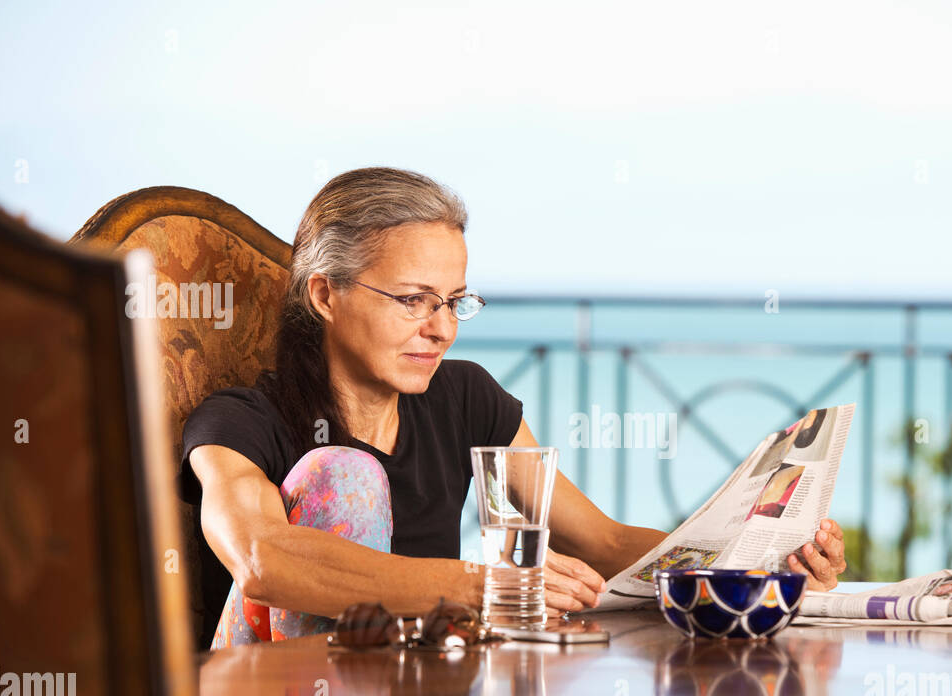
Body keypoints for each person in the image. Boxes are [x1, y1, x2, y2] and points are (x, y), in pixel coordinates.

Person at [178, 167, 848, 649]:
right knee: (345, 475)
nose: (441, 328)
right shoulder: (239, 422)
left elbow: (603, 543)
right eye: (412, 300)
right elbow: (262, 559)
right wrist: (482, 586)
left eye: (453, 301)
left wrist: (754, 564)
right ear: (326, 295)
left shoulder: (464, 398)